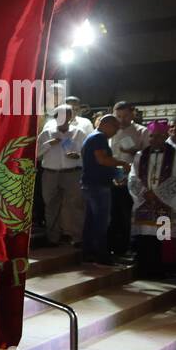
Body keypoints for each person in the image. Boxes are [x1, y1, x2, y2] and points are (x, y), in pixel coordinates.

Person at [129, 120, 176, 278]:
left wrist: (158, 195)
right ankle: (144, 269)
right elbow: (132, 177)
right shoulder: (141, 155)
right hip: (144, 203)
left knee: (162, 237)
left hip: (165, 204)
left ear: (165, 135)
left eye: (159, 136)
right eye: (152, 136)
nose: (155, 140)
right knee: (145, 238)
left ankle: (161, 271)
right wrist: (144, 193)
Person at [80, 114, 133, 266]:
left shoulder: (92, 137)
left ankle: (88, 252)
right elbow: (102, 159)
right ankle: (102, 255)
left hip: (91, 184)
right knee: (101, 222)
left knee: (91, 221)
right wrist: (122, 163)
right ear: (106, 124)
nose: (116, 131)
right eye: (115, 127)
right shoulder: (99, 138)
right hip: (98, 186)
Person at [36, 103, 92, 245]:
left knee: (76, 205)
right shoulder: (46, 133)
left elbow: (87, 154)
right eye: (61, 116)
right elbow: (36, 155)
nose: (64, 119)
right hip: (50, 173)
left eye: (67, 116)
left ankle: (77, 237)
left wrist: (78, 156)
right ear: (55, 117)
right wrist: (49, 144)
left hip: (72, 173)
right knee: (51, 204)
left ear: (71, 118)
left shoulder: (78, 132)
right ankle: (53, 237)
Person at [107, 101, 144, 258]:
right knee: (112, 214)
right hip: (111, 178)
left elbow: (148, 153)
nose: (121, 120)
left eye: (125, 116)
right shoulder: (110, 131)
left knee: (127, 214)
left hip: (132, 179)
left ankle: (127, 247)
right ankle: (113, 246)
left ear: (132, 113)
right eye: (118, 116)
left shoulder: (141, 131)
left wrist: (133, 150)